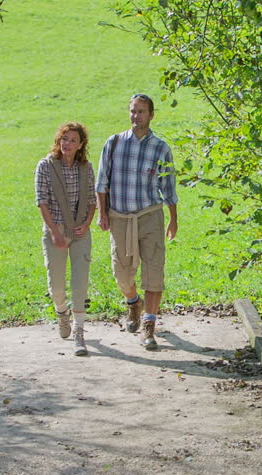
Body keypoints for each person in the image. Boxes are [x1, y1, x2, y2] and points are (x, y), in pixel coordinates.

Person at [95, 93, 178, 351]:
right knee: (122, 273)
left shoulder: (160, 148)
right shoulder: (114, 143)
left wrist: (173, 220)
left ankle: (149, 327)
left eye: (141, 111)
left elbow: (169, 188)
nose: (136, 116)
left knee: (154, 272)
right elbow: (102, 183)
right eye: (133, 111)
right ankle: (133, 302)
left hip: (150, 216)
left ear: (151, 115)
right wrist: (103, 213)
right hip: (120, 218)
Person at [35, 122, 96, 356]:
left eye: (72, 140)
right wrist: (55, 232)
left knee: (80, 285)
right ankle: (62, 312)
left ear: (81, 145)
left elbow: (92, 199)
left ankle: (79, 333)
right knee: (57, 286)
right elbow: (42, 202)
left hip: (80, 231)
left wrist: (87, 224)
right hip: (56, 229)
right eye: (64, 139)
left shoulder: (85, 168)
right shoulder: (45, 166)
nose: (67, 144)